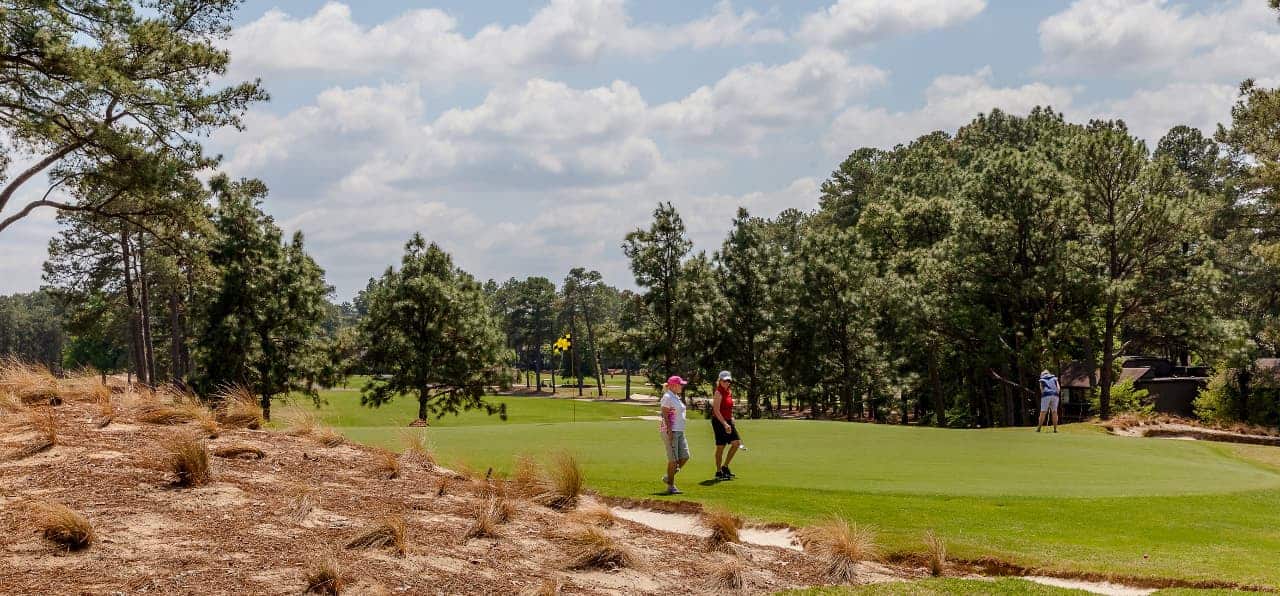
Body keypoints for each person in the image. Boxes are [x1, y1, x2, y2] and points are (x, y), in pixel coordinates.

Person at [659, 375, 690, 494]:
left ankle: (668, 477)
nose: (682, 386)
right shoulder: (667, 397)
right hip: (671, 431)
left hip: (680, 430)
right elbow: (665, 415)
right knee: (673, 460)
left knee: (685, 456)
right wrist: (669, 431)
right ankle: (670, 486)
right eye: (680, 384)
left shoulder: (675, 397)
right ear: (673, 385)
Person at [712, 370, 742, 480]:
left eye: (728, 381)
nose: (727, 383)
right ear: (719, 381)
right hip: (719, 421)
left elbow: (729, 407)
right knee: (721, 446)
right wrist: (724, 424)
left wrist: (731, 418)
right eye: (724, 381)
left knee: (736, 443)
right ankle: (718, 471)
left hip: (728, 420)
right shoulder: (718, 392)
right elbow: (716, 410)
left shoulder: (729, 391)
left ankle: (725, 467)